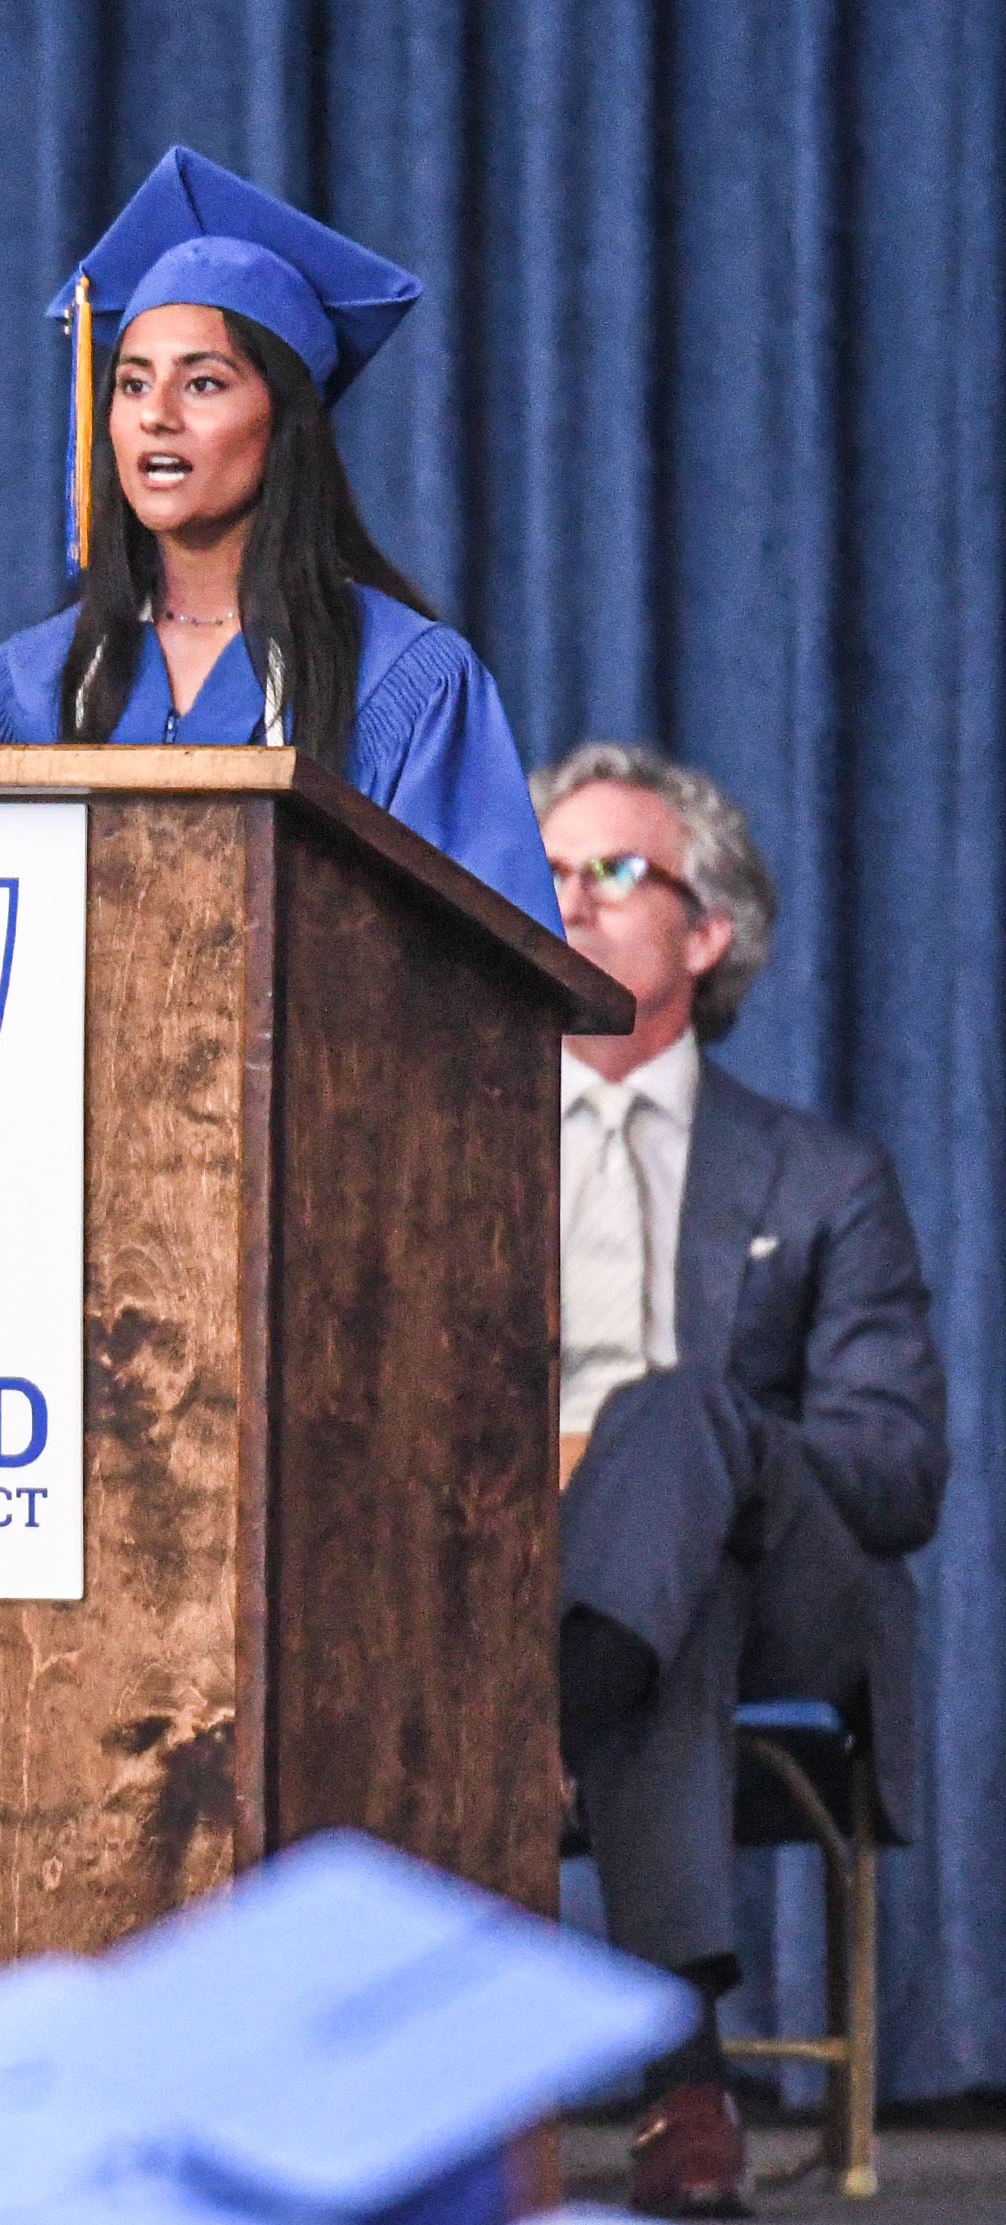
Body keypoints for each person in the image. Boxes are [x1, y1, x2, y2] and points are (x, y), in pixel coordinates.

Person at [538, 745, 945, 2217]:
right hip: (546, 1576)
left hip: (789, 1577)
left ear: (708, 933)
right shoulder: (452, 1146)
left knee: (680, 1430)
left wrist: (691, 1453)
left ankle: (550, 1725)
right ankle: (685, 2079)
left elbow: (899, 1474)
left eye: (616, 872)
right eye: (554, 873)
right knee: (661, 1597)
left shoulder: (821, 1177)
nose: (571, 901)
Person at [0, 146, 557, 935]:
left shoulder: (407, 686)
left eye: (204, 382)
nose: (157, 413)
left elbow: (487, 985)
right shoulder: (20, 690)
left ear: (284, 423)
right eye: (131, 383)